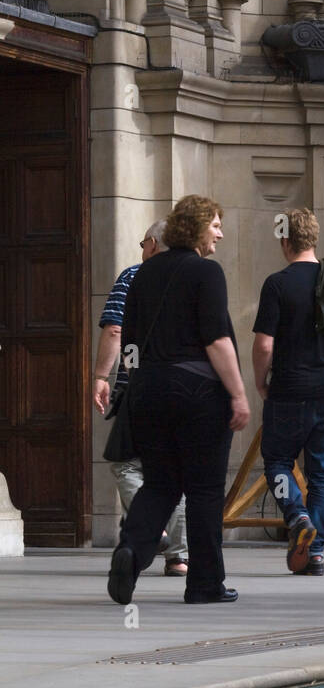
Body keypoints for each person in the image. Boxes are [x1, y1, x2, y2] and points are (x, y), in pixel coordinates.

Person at [107, 195, 250, 606]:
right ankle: (205, 585)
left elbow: (130, 345)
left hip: (148, 390)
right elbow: (217, 339)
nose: (221, 234)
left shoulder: (143, 274)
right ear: (199, 227)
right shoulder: (207, 273)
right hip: (199, 393)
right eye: (216, 226)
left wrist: (140, 386)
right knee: (204, 489)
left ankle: (131, 553)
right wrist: (238, 394)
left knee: (160, 485)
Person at [252, 208, 324, 577]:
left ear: (285, 241)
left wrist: (259, 381)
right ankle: (314, 553)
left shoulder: (276, 284)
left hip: (286, 391)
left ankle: (297, 515)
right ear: (313, 239)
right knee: (320, 474)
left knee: (278, 463)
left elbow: (264, 345)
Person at [93, 221, 188, 577]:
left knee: (126, 462)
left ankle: (152, 526)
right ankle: (179, 557)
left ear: (152, 243)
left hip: (142, 384)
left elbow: (116, 328)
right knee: (174, 469)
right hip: (186, 386)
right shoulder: (195, 276)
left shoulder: (135, 275)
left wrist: (101, 376)